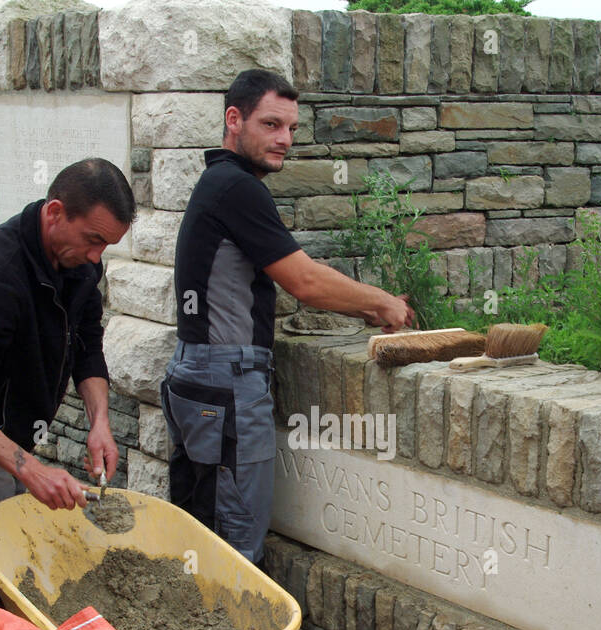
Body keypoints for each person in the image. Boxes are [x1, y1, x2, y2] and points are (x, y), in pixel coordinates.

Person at [164, 69, 414, 567]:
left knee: (197, 535)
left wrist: (368, 303)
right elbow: (304, 281)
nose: (285, 140)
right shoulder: (236, 188)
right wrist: (382, 302)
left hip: (198, 379)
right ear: (234, 120)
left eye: (292, 129)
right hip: (227, 386)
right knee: (234, 551)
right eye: (272, 125)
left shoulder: (217, 183)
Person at [0, 157, 134, 598]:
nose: (96, 257)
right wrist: (31, 470)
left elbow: (87, 346)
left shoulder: (80, 264)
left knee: (23, 551)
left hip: (24, 434)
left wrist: (99, 422)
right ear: (56, 212)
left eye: (107, 246)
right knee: (1, 563)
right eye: (93, 240)